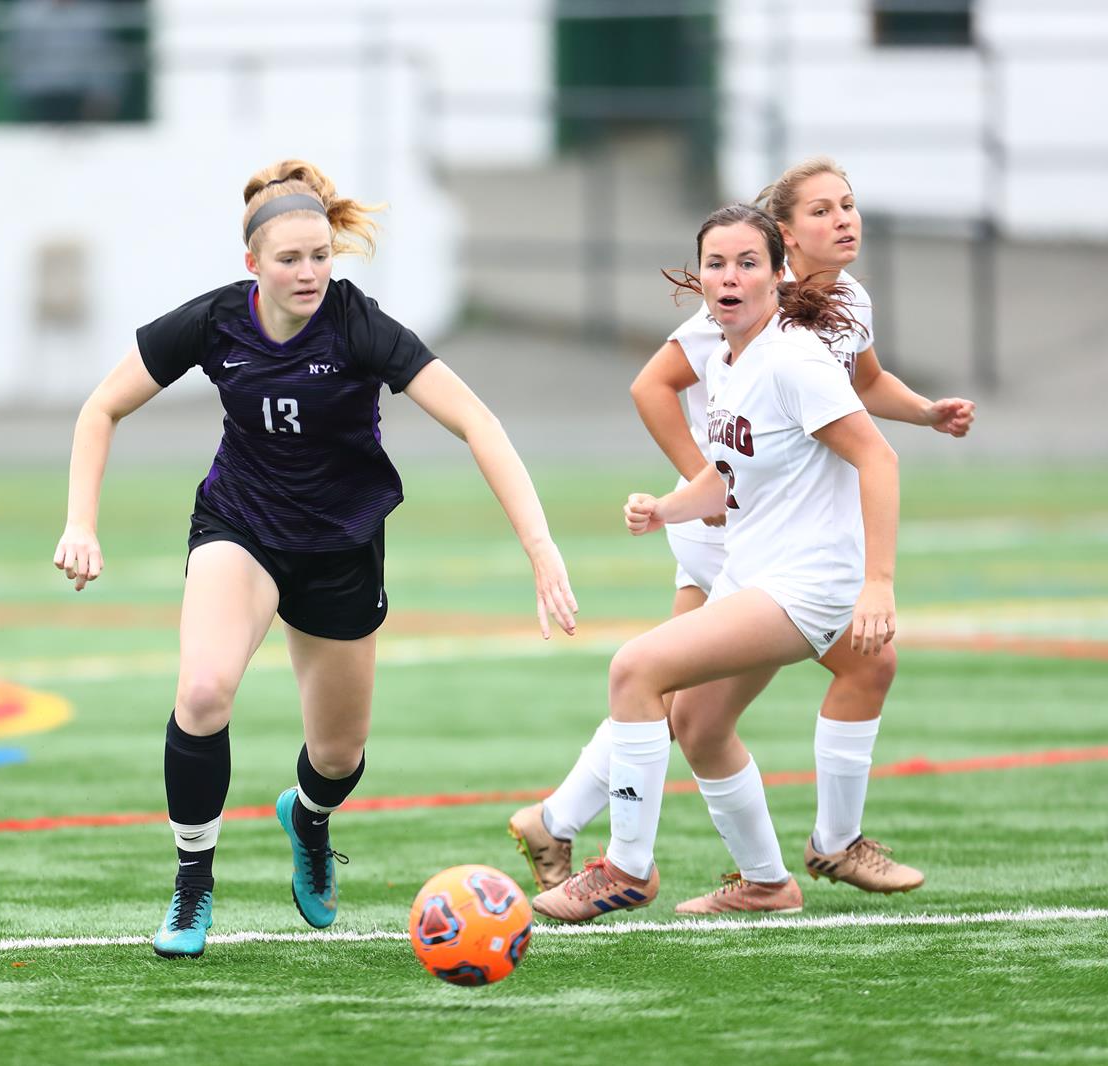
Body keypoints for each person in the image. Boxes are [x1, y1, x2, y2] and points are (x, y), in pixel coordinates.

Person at [52, 159, 579, 959]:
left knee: (338, 755)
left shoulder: (359, 326)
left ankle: (308, 814)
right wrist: (79, 523)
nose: (308, 272)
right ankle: (193, 885)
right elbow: (102, 406)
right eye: (289, 258)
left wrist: (541, 548)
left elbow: (478, 423)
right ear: (252, 264)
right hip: (242, 528)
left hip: (340, 549)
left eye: (320, 256)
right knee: (201, 690)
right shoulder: (215, 322)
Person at [510, 159, 974, 903]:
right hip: (752, 568)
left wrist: (878, 583)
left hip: (805, 581)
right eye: (715, 265)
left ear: (777, 271)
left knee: (635, 670)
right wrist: (666, 507)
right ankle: (767, 883)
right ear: (697, 280)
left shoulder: (792, 355)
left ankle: (626, 868)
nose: (728, 277)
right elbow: (728, 480)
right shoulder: (728, 358)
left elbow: (877, 457)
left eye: (746, 263)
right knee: (697, 722)